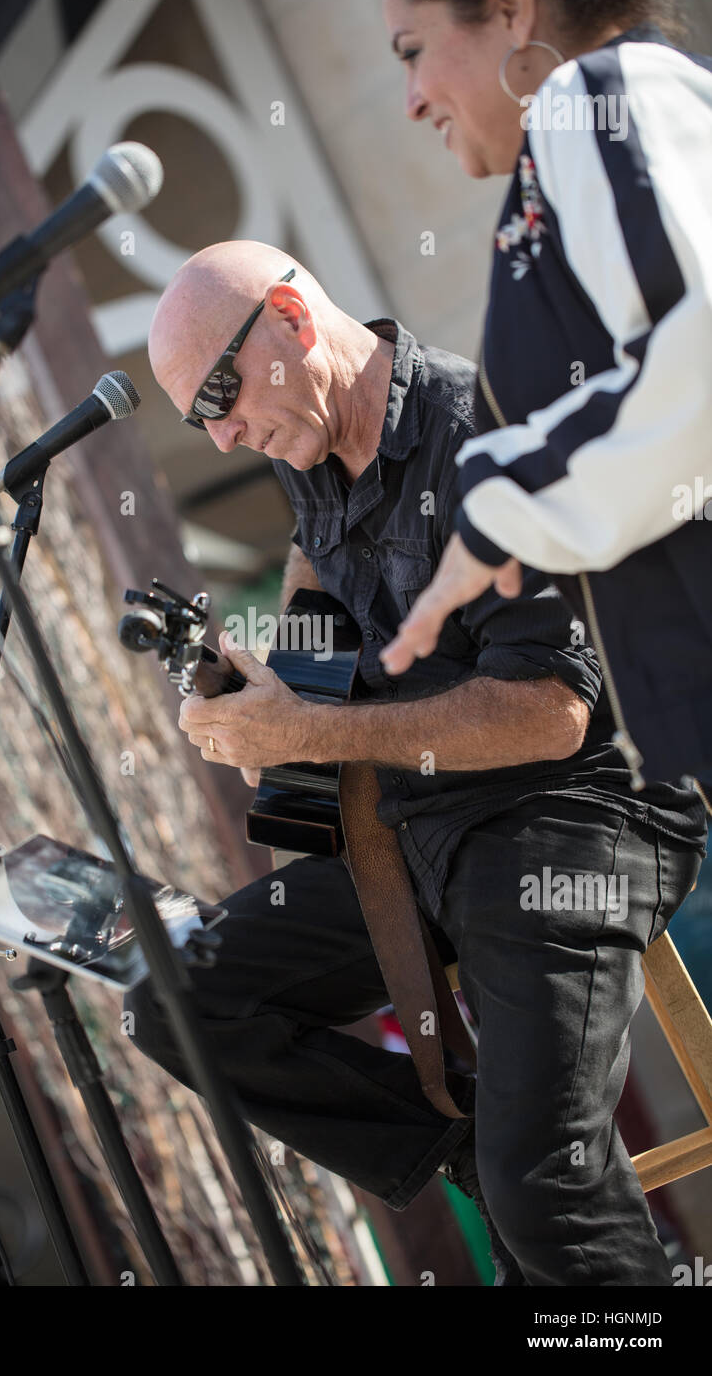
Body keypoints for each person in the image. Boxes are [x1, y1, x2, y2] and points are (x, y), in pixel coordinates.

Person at [127, 239, 706, 1285]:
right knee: (173, 996)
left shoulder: (480, 428)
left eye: (220, 390)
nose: (221, 430)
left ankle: (519, 1169)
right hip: (420, 823)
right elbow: (317, 590)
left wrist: (309, 734)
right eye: (196, 417)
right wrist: (276, 706)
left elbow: (548, 712)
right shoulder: (304, 449)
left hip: (568, 814)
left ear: (294, 321)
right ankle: (467, 1152)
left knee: (550, 1185)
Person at [376, 0, 712, 794]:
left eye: (412, 50)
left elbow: (699, 349)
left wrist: (500, 500)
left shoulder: (590, 97)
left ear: (509, 8)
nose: (412, 102)